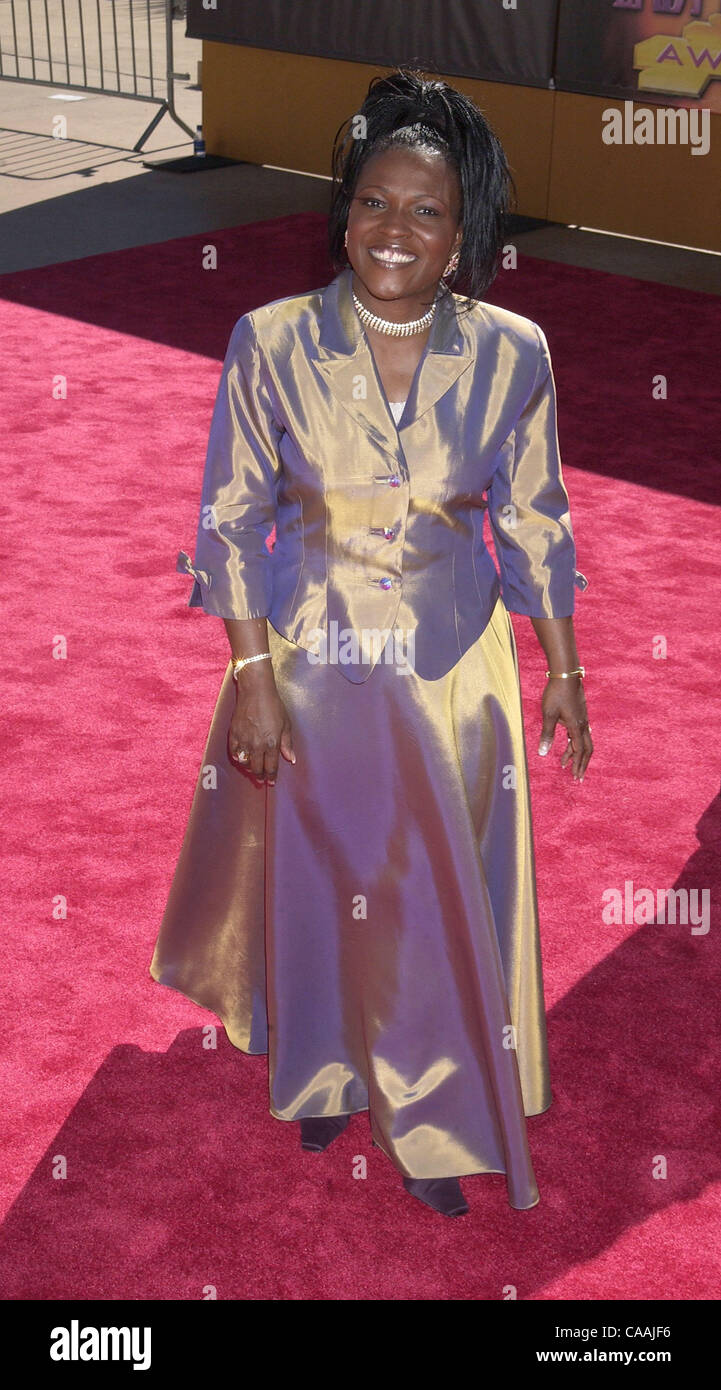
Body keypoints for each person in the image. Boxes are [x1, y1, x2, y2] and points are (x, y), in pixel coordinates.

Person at [150, 68, 593, 1219]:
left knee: (429, 898)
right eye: (372, 204)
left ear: (462, 239)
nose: (394, 230)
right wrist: (249, 673)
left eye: (426, 213)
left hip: (456, 674)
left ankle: (437, 1117)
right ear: (342, 210)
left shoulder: (514, 354)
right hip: (308, 666)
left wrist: (566, 671)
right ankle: (325, 1064)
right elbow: (232, 518)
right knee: (327, 880)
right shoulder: (271, 342)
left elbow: (537, 518)